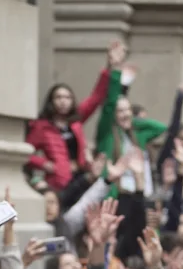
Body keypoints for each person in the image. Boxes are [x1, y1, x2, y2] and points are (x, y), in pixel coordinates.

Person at [24, 41, 121, 192]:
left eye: (68, 98)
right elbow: (24, 153)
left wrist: (109, 67)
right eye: (59, 97)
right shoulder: (41, 127)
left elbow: (96, 97)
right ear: (51, 101)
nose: (63, 101)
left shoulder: (76, 120)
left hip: (82, 177)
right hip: (59, 183)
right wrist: (45, 164)